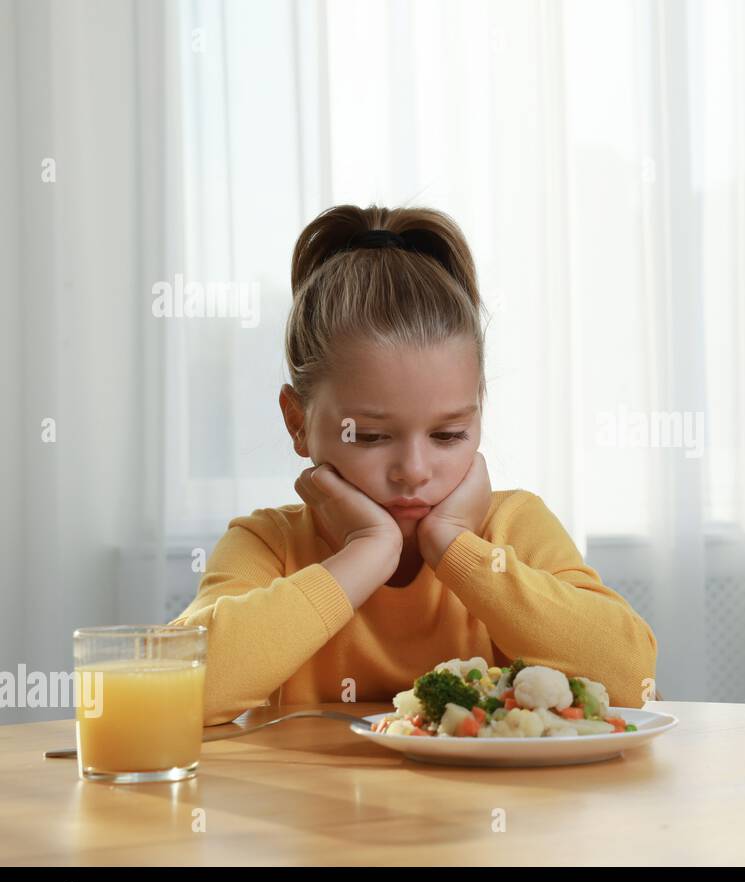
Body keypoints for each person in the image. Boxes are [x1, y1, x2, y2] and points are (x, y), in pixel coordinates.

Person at [171, 204, 658, 726]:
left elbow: (632, 680)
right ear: (297, 423)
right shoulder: (268, 543)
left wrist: (453, 545)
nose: (414, 470)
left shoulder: (512, 526)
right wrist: (368, 553)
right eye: (373, 436)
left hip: (484, 809)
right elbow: (178, 693)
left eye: (449, 435)